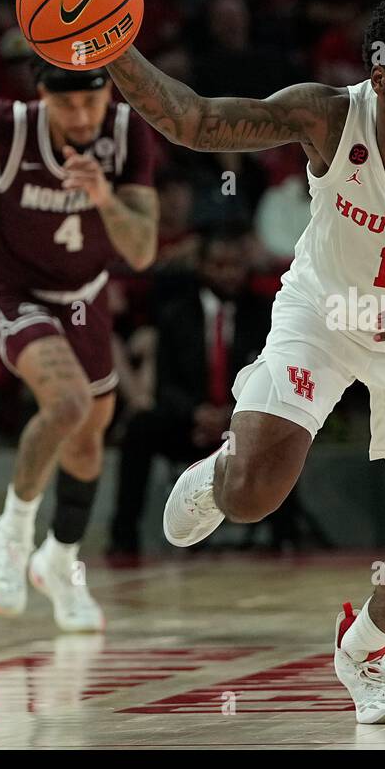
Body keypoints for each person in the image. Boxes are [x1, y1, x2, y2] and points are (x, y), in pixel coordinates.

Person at [105, 0, 385, 724]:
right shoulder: (327, 114)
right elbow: (195, 121)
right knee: (254, 493)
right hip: (325, 310)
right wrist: (110, 50)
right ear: (380, 74)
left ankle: (361, 650)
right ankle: (223, 473)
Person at [0, 61, 159, 632]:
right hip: (16, 292)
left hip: (85, 295)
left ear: (108, 97)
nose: (79, 116)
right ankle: (12, 533)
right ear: (42, 96)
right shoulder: (10, 124)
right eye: (65, 104)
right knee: (67, 404)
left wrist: (102, 195)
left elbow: (142, 250)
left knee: (90, 438)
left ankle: (60, 562)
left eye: (90, 104)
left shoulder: (127, 133)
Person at [108, 221, 271, 558]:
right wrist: (196, 414)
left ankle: (284, 538)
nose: (229, 274)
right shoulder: (176, 314)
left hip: (242, 424)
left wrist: (231, 415)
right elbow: (165, 385)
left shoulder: (267, 315)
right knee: (140, 428)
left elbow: (272, 378)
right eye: (219, 265)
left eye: (236, 266)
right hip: (187, 423)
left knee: (282, 431)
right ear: (201, 266)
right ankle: (123, 539)